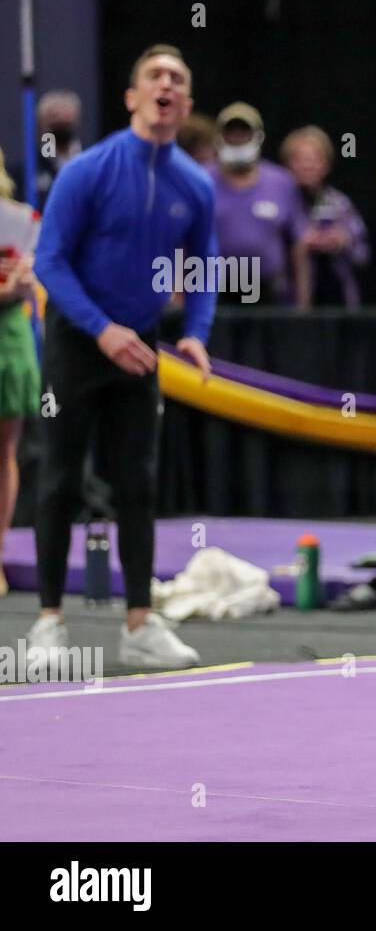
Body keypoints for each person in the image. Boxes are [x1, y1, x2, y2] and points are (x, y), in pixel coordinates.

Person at [30, 44, 215, 669]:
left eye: (177, 79)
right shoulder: (89, 170)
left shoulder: (194, 182)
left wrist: (196, 330)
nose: (166, 84)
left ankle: (139, 621)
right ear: (133, 97)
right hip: (77, 342)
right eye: (154, 76)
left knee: (137, 481)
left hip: (138, 348)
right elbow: (48, 262)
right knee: (59, 479)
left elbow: (205, 265)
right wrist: (101, 329)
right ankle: (49, 622)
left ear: (185, 104)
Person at [208, 102, 311, 307]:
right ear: (219, 138)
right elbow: (182, 243)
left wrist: (303, 303)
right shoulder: (201, 179)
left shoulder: (281, 182)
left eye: (243, 133)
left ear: (258, 137)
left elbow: (298, 245)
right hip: (215, 294)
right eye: (231, 134)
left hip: (269, 296)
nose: (237, 139)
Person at [0, 150, 41, 597]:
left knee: (3, 450)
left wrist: (22, 287)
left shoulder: (20, 219)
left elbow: (32, 278)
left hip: (8, 339)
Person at [281, 125, 370, 309]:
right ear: (287, 164)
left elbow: (363, 254)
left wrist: (343, 241)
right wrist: (300, 244)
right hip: (288, 306)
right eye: (299, 159)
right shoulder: (279, 203)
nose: (307, 165)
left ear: (327, 164)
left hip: (338, 303)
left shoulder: (340, 204)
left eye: (314, 159)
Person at [35, 90, 83, 210]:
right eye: (54, 117)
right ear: (42, 123)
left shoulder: (90, 162)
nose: (61, 121)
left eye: (66, 117)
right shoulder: (33, 168)